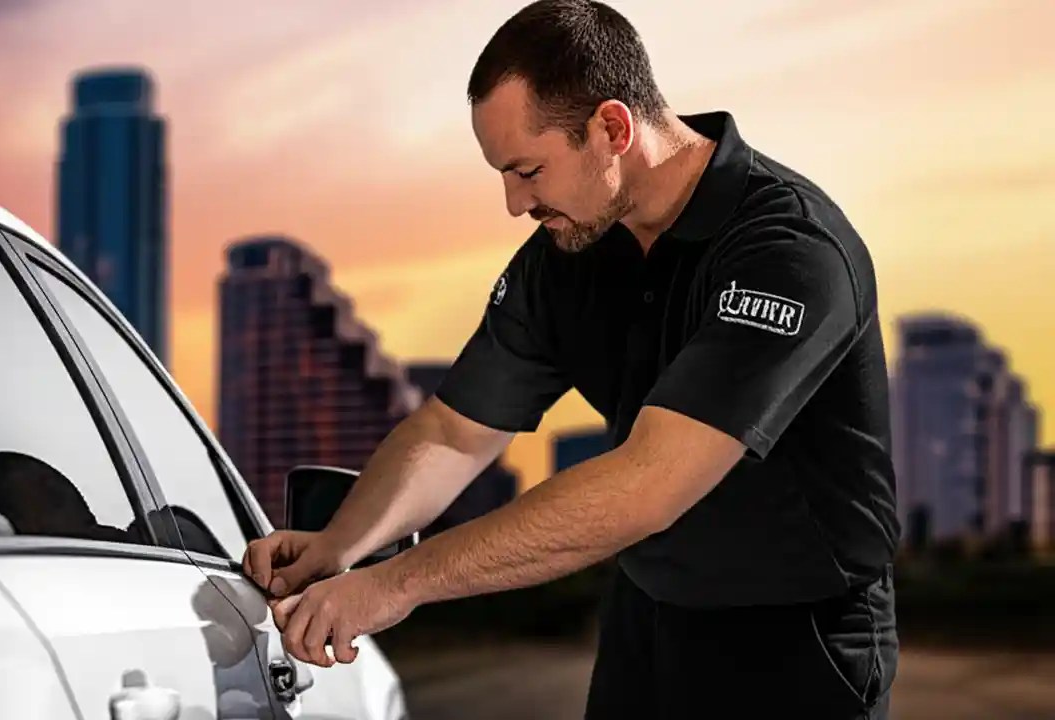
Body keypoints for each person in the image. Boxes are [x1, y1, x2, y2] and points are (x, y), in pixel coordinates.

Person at [243, 1, 900, 717]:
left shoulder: (788, 253)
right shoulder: (569, 253)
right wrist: (340, 547)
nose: (513, 202)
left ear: (613, 129)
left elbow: (646, 485)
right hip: (646, 617)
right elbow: (453, 431)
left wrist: (396, 583)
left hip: (794, 640)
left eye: (528, 170)